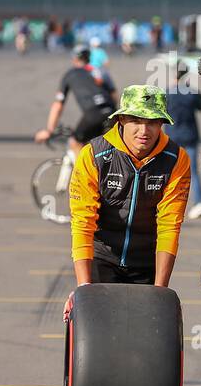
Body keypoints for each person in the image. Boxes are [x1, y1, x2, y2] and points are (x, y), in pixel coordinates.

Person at [67, 86, 190, 294]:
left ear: (162, 123)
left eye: (152, 122)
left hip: (145, 263)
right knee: (100, 324)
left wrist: (160, 292)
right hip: (102, 258)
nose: (144, 131)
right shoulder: (93, 155)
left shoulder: (177, 159)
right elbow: (82, 221)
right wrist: (83, 288)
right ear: (121, 119)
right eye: (136, 121)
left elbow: (169, 225)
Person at [35, 46, 118, 166]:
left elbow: (58, 104)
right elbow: (114, 95)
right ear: (89, 58)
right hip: (111, 112)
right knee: (98, 147)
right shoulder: (100, 71)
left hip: (93, 114)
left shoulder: (70, 74)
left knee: (75, 142)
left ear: (74, 59)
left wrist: (49, 130)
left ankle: (84, 178)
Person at [164, 59, 201, 220]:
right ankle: (198, 203)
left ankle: (169, 203)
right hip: (190, 135)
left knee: (169, 171)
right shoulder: (191, 92)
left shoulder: (168, 92)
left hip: (172, 136)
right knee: (193, 172)